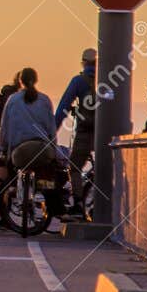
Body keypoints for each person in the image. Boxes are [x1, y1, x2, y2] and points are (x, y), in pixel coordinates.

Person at [54, 48, 97, 215]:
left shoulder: (79, 81)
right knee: (108, 167)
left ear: (83, 63)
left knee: (75, 167)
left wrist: (52, 131)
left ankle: (78, 204)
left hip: (85, 131)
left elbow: (63, 107)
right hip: (105, 133)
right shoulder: (109, 80)